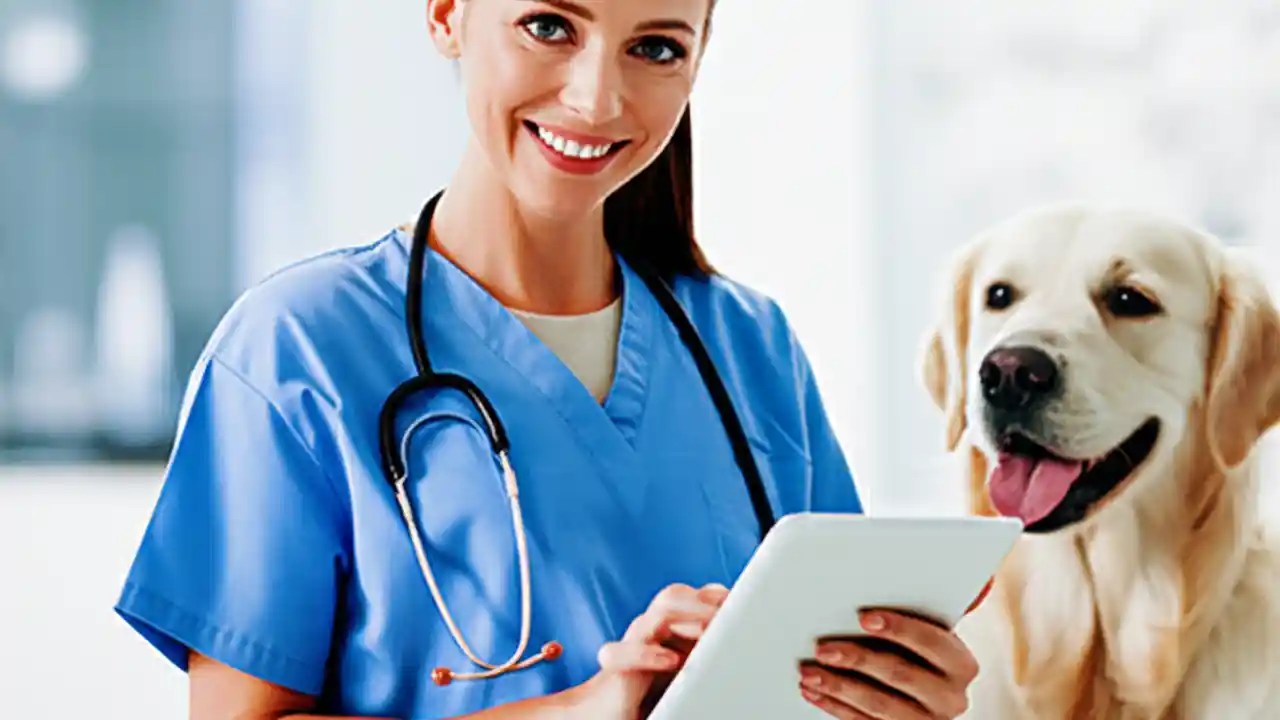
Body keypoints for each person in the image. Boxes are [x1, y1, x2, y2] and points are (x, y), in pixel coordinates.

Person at [114, 0, 983, 718]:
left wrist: (898, 695)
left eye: (655, 47)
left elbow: (811, 681)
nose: (598, 99)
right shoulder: (297, 348)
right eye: (549, 26)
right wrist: (587, 709)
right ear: (448, 14)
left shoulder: (750, 349)